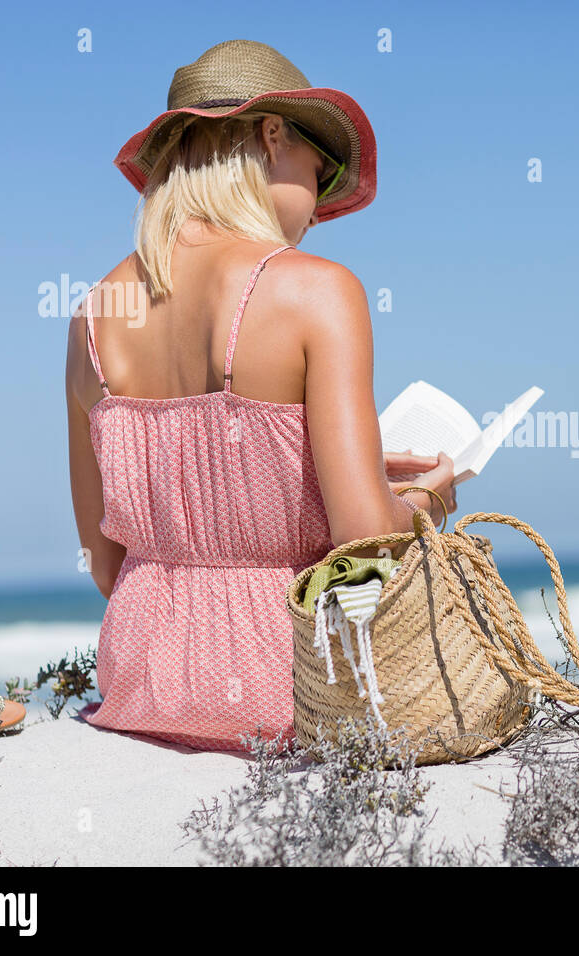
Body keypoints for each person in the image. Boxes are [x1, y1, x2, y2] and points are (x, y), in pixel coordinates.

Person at [65, 40, 457, 751]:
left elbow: (104, 562)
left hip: (139, 692)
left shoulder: (93, 315)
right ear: (273, 134)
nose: (317, 203)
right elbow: (367, 540)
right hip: (295, 688)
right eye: (320, 169)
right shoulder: (317, 290)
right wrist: (428, 499)